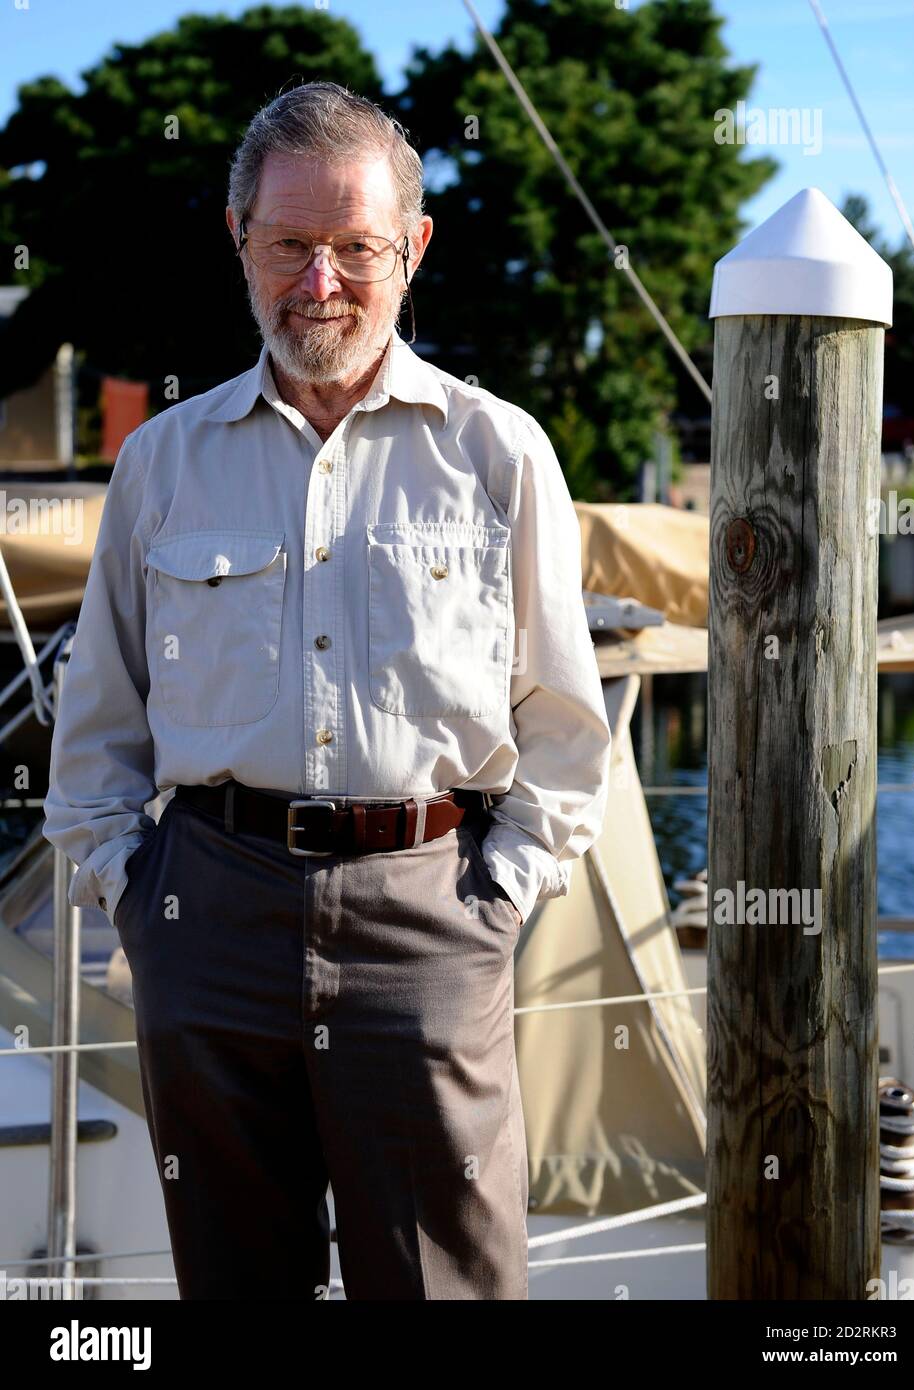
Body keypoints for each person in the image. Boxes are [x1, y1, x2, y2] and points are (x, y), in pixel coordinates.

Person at [43, 81, 611, 1301]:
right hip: (204, 916)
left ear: (410, 250)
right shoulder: (160, 463)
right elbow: (94, 730)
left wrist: (492, 903)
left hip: (433, 919)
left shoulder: (497, 452)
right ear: (238, 240)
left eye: (354, 248)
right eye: (289, 246)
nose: (319, 285)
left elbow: (565, 733)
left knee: (447, 1282)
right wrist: (138, 894)